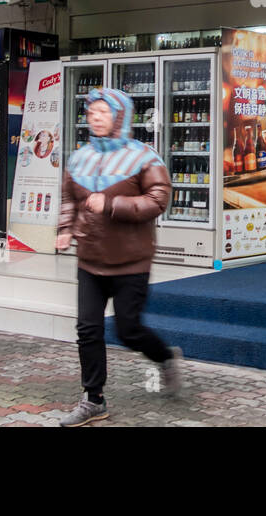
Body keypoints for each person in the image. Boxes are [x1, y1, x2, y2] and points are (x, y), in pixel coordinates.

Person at [57, 87, 182, 426]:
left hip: (132, 260)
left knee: (128, 329)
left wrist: (112, 203)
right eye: (91, 112)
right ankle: (93, 398)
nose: (95, 118)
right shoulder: (79, 157)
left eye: (103, 112)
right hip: (90, 258)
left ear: (120, 116)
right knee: (88, 328)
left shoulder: (143, 156)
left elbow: (158, 200)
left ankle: (165, 358)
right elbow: (69, 196)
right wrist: (65, 228)